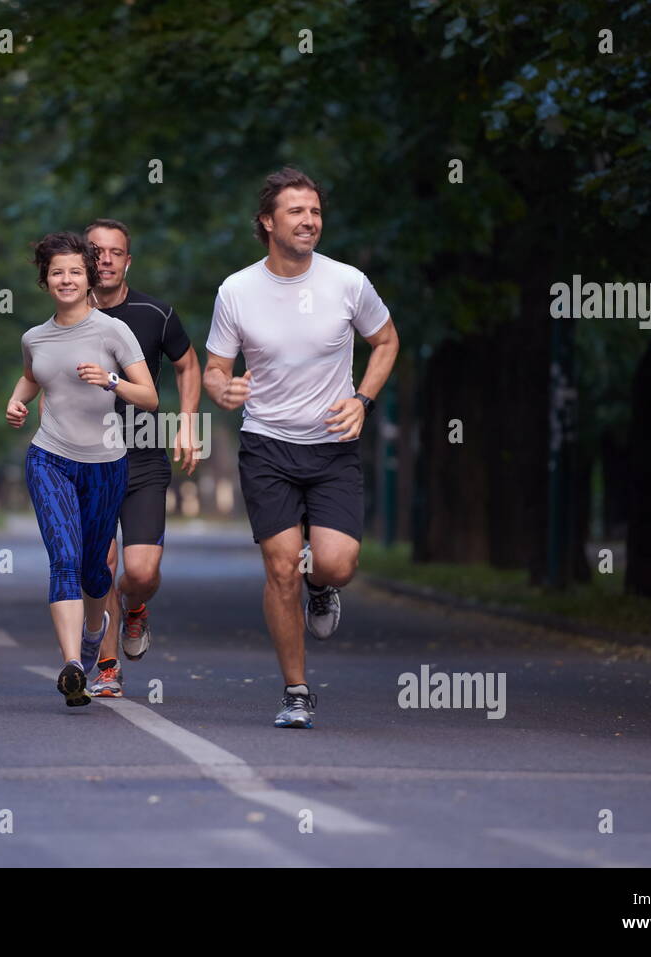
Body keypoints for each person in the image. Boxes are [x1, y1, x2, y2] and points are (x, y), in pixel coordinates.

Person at [204, 168, 399, 729]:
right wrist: (224, 390)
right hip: (267, 444)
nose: (309, 220)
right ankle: (296, 691)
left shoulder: (347, 283)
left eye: (314, 211)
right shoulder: (237, 290)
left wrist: (362, 398)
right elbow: (216, 370)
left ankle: (322, 589)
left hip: (333, 444)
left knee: (336, 564)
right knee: (280, 567)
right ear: (267, 221)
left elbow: (386, 341)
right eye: (296, 211)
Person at [6, 232, 158, 706]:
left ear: (88, 276)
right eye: (57, 273)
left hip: (106, 464)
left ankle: (97, 628)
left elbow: (150, 398)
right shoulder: (34, 337)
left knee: (96, 569)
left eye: (75, 271)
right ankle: (73, 663)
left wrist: (111, 380)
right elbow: (33, 376)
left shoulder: (111, 331)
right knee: (65, 559)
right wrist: (16, 402)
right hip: (50, 457)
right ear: (45, 281)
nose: (66, 279)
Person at [82, 218, 202, 697]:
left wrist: (189, 422)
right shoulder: (67, 314)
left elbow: (187, 364)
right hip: (88, 456)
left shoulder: (157, 314)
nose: (105, 260)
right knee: (103, 564)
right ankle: (107, 668)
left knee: (141, 572)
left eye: (115, 252)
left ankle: (136, 608)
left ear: (127, 261)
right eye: (96, 251)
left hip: (143, 453)